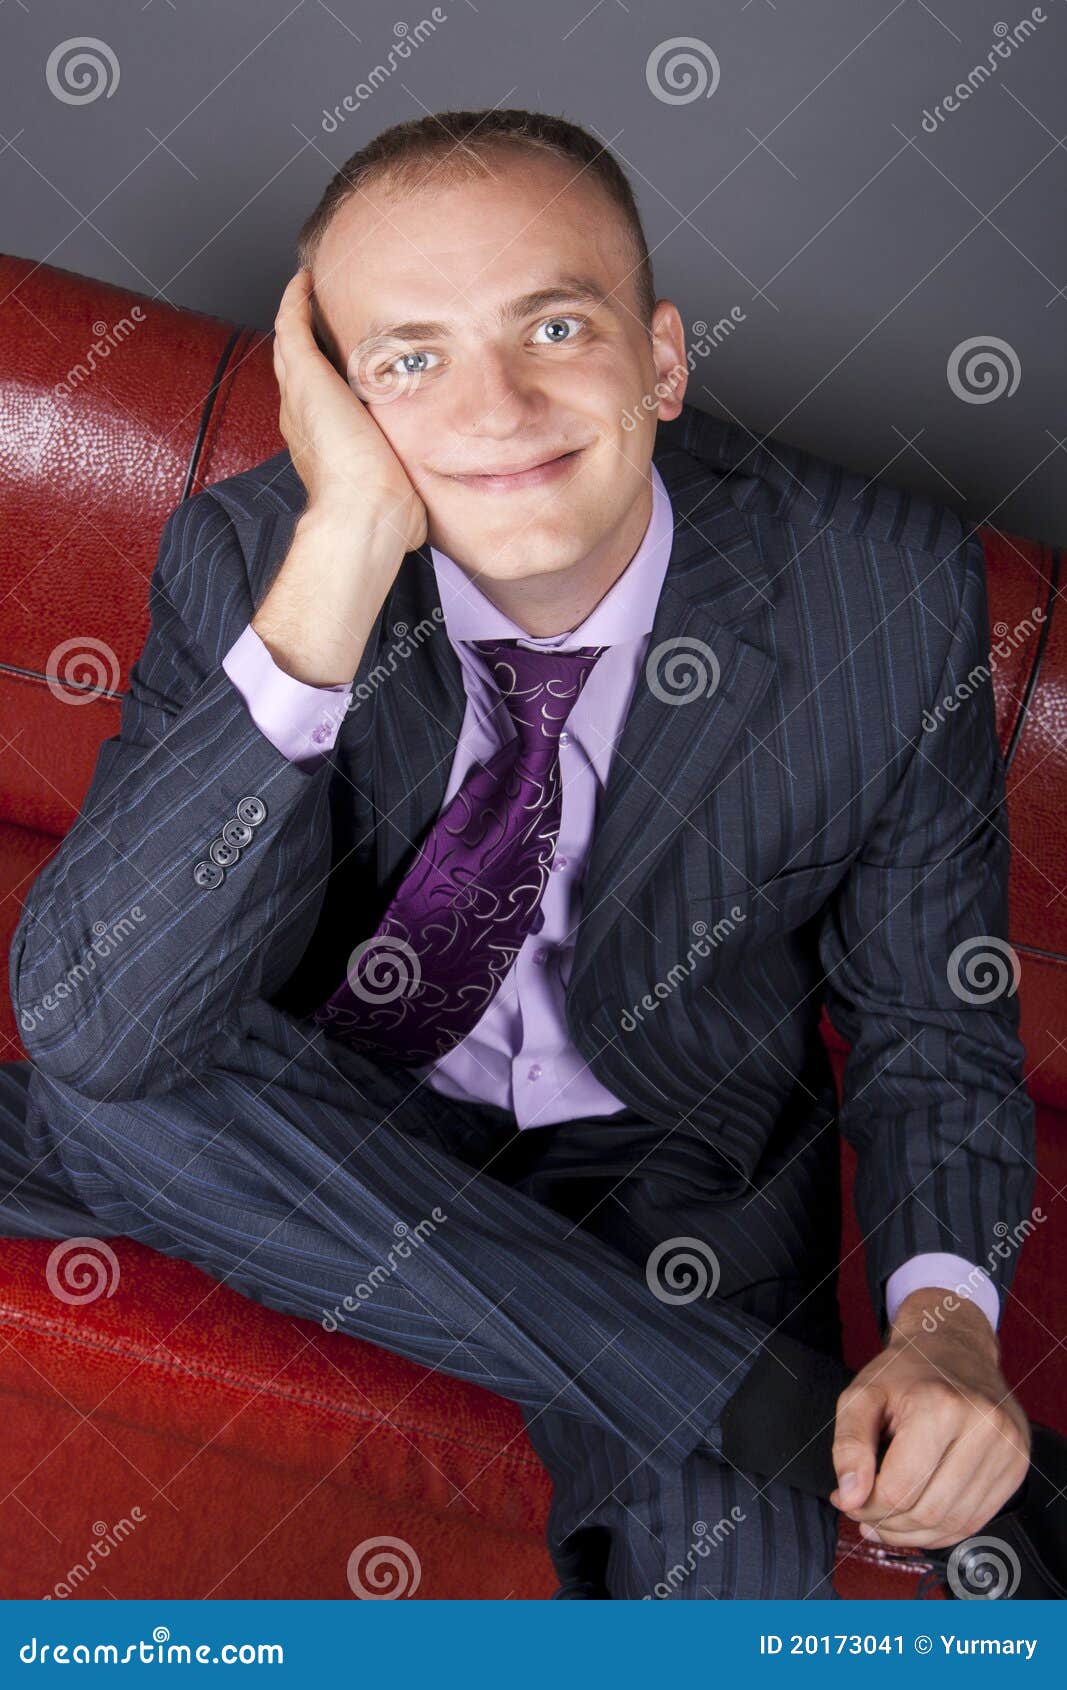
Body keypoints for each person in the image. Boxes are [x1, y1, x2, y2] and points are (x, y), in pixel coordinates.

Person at [3, 108, 1035, 1600]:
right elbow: (104, 1016)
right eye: (408, 360)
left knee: (739, 1564)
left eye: (553, 325)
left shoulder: (883, 589)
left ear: (662, 358)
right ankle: (742, 1392)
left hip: (668, 1160)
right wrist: (350, 543)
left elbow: (933, 1023)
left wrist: (944, 1326)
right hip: (328, 1103)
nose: (494, 407)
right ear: (337, 409)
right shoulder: (260, 556)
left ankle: (696, 1385)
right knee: (113, 1084)